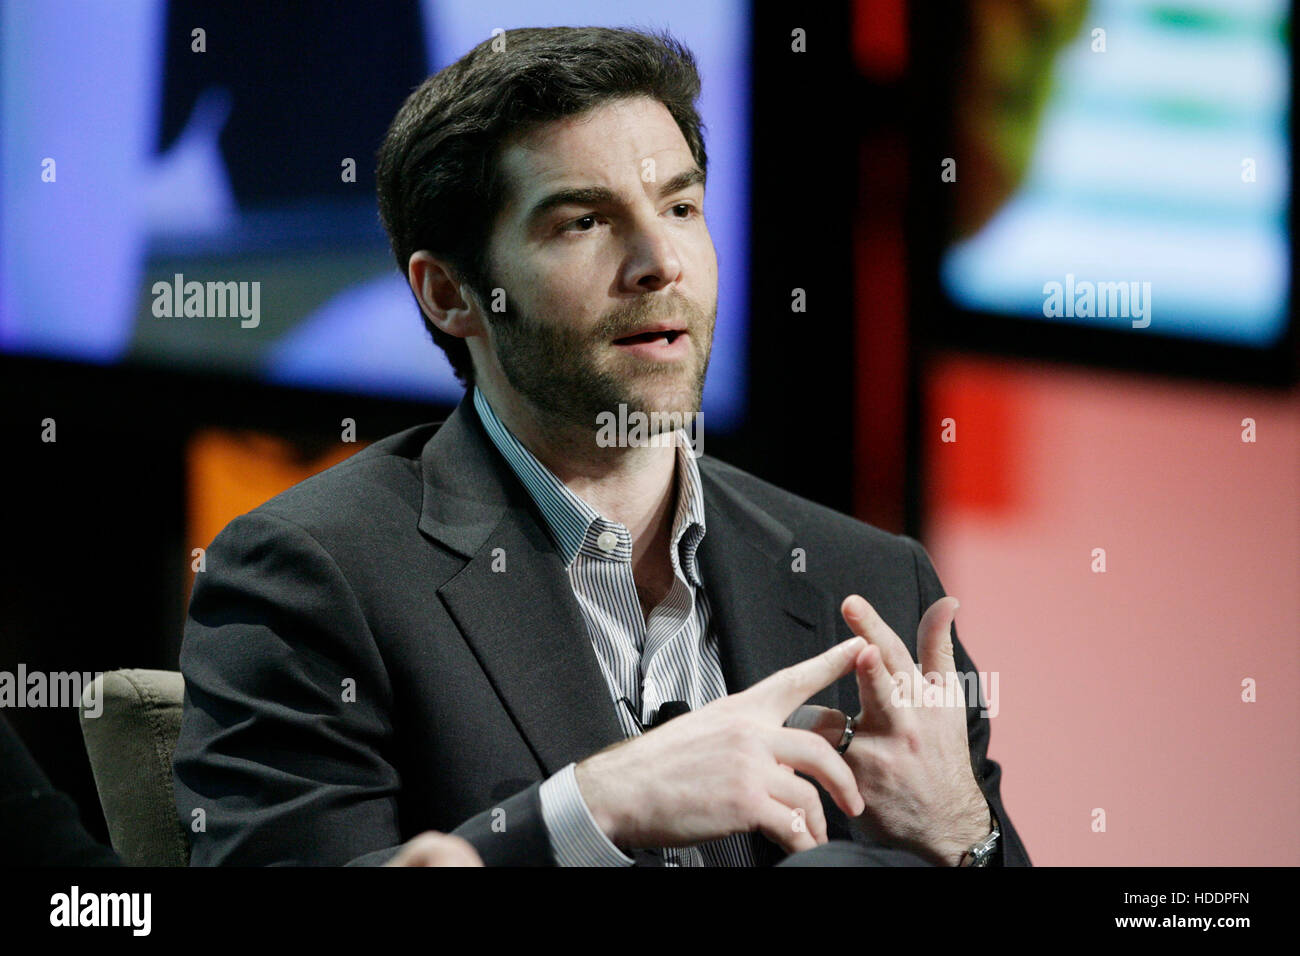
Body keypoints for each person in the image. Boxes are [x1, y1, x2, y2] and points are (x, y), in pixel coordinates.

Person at [173, 25, 1029, 868]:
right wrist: (596, 807)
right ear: (450, 295)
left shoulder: (874, 582)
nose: (660, 261)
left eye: (682, 208)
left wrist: (962, 833)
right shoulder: (315, 574)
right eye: (584, 222)